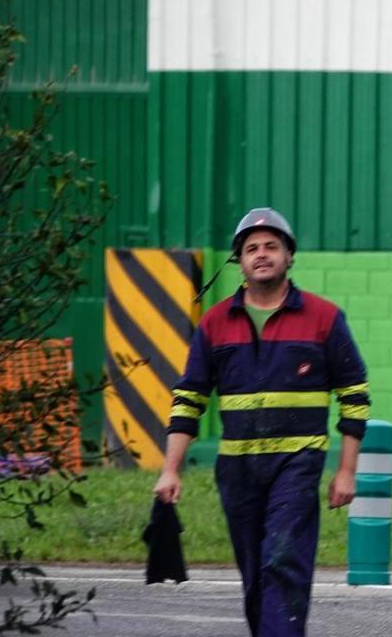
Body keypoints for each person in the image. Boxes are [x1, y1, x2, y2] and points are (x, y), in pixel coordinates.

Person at [153, 208, 370, 637]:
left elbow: (354, 397)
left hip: (297, 465)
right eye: (251, 248)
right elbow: (190, 397)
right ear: (239, 261)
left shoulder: (324, 318)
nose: (262, 254)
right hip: (237, 472)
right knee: (254, 576)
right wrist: (170, 468)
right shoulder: (215, 323)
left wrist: (346, 472)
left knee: (282, 561)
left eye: (272, 246)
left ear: (290, 255)